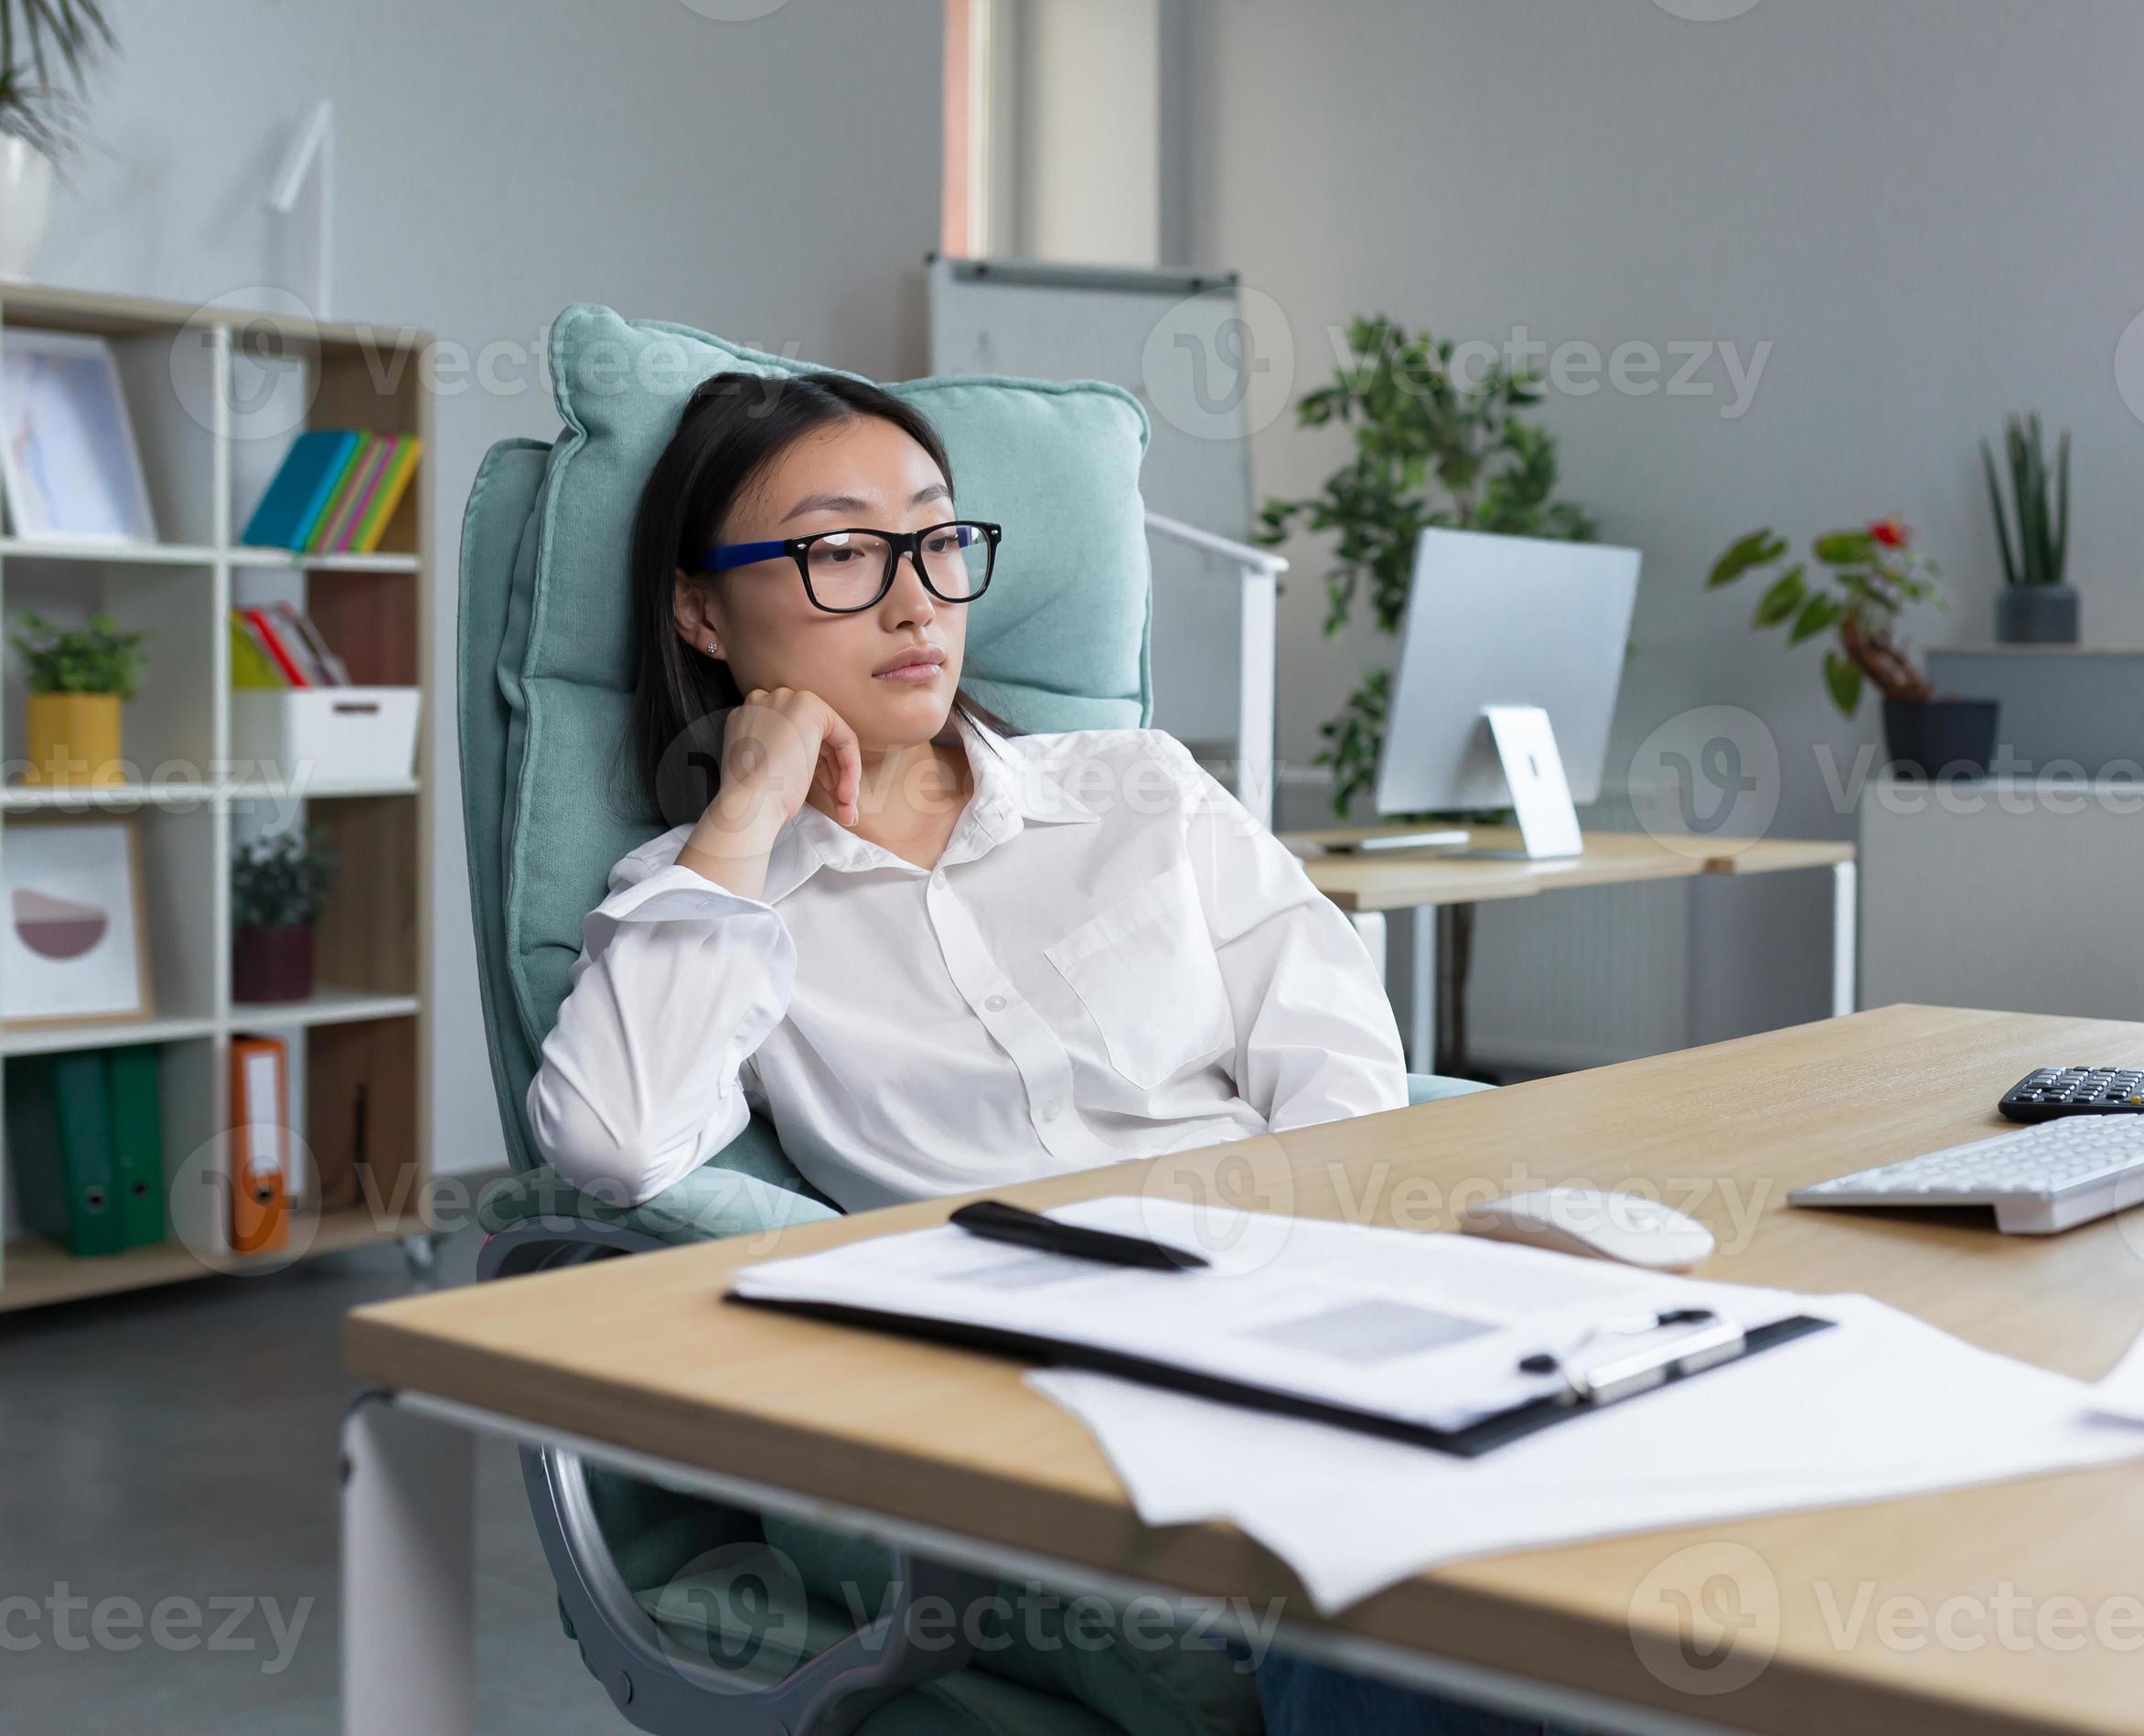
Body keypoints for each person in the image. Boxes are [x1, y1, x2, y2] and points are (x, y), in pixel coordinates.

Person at [527, 369, 1550, 1736]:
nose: (914, 600)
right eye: (838, 552)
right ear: (701, 611)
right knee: (1394, 1596)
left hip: (1307, 1315)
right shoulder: (705, 901)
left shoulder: (1143, 791)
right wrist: (747, 808)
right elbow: (608, 1142)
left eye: (939, 543)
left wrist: (1335, 1310)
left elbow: (1343, 1079)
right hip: (1062, 1389)